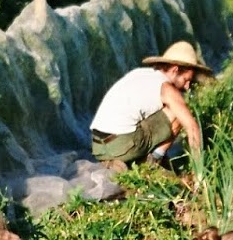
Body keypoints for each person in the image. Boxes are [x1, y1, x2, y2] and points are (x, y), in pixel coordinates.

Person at [89, 40, 213, 168]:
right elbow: (192, 128)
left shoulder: (139, 73)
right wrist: (199, 169)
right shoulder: (167, 89)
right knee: (177, 112)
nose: (187, 87)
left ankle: (124, 160)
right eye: (186, 80)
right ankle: (153, 162)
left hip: (98, 147)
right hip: (121, 146)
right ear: (175, 70)